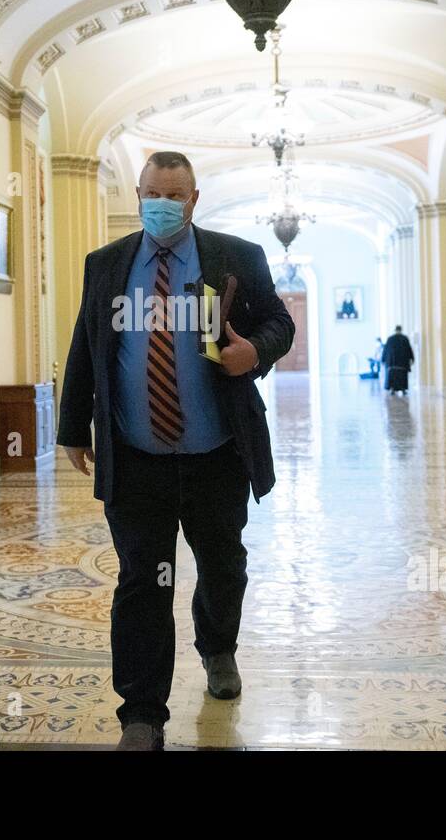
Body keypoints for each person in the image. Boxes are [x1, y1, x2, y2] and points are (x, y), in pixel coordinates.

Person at [57, 150, 294, 751]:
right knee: (143, 579)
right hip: (136, 457)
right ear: (138, 195)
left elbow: (277, 324)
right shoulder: (106, 265)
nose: (161, 204)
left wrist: (255, 353)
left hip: (216, 454)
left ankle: (218, 650)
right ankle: (141, 713)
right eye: (151, 194)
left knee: (221, 564)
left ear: (193, 199)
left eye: (174, 195)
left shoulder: (235, 257)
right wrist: (70, 428)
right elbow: (86, 344)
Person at [382, 325, 415, 395]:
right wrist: (412, 358)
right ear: (400, 330)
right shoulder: (405, 338)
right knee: (402, 376)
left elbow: (385, 350)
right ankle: (403, 389)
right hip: (402, 363)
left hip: (392, 362)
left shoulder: (390, 339)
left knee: (393, 376)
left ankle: (393, 389)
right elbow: (409, 349)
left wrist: (383, 359)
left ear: (395, 330)